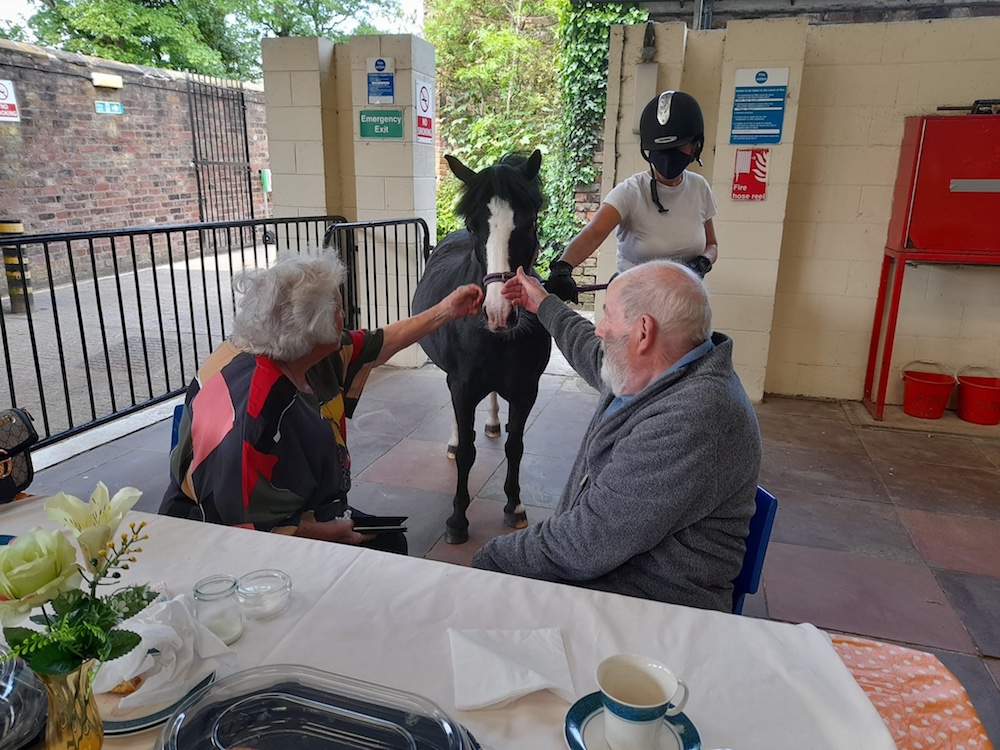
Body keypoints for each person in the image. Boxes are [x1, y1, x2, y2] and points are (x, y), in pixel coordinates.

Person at [472, 260, 761, 612]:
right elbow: (591, 351)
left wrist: (489, 559)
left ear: (643, 332)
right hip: (607, 576)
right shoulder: (660, 365)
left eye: (607, 315)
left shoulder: (695, 415)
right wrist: (543, 302)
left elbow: (587, 544)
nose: (600, 329)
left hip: (649, 607)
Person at [160, 252, 483, 553]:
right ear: (319, 329)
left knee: (389, 540)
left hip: (298, 509)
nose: (346, 315)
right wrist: (328, 533)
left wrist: (446, 310)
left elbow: (378, 344)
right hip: (222, 537)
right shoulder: (252, 411)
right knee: (387, 549)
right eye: (340, 309)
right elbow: (238, 524)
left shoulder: (299, 350)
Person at [546, 90, 718, 303]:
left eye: (676, 147)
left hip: (685, 302)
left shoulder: (699, 188)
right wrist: (563, 268)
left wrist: (702, 262)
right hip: (636, 302)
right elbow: (593, 234)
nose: (667, 156)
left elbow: (712, 245)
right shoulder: (630, 192)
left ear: (695, 145)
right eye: (660, 149)